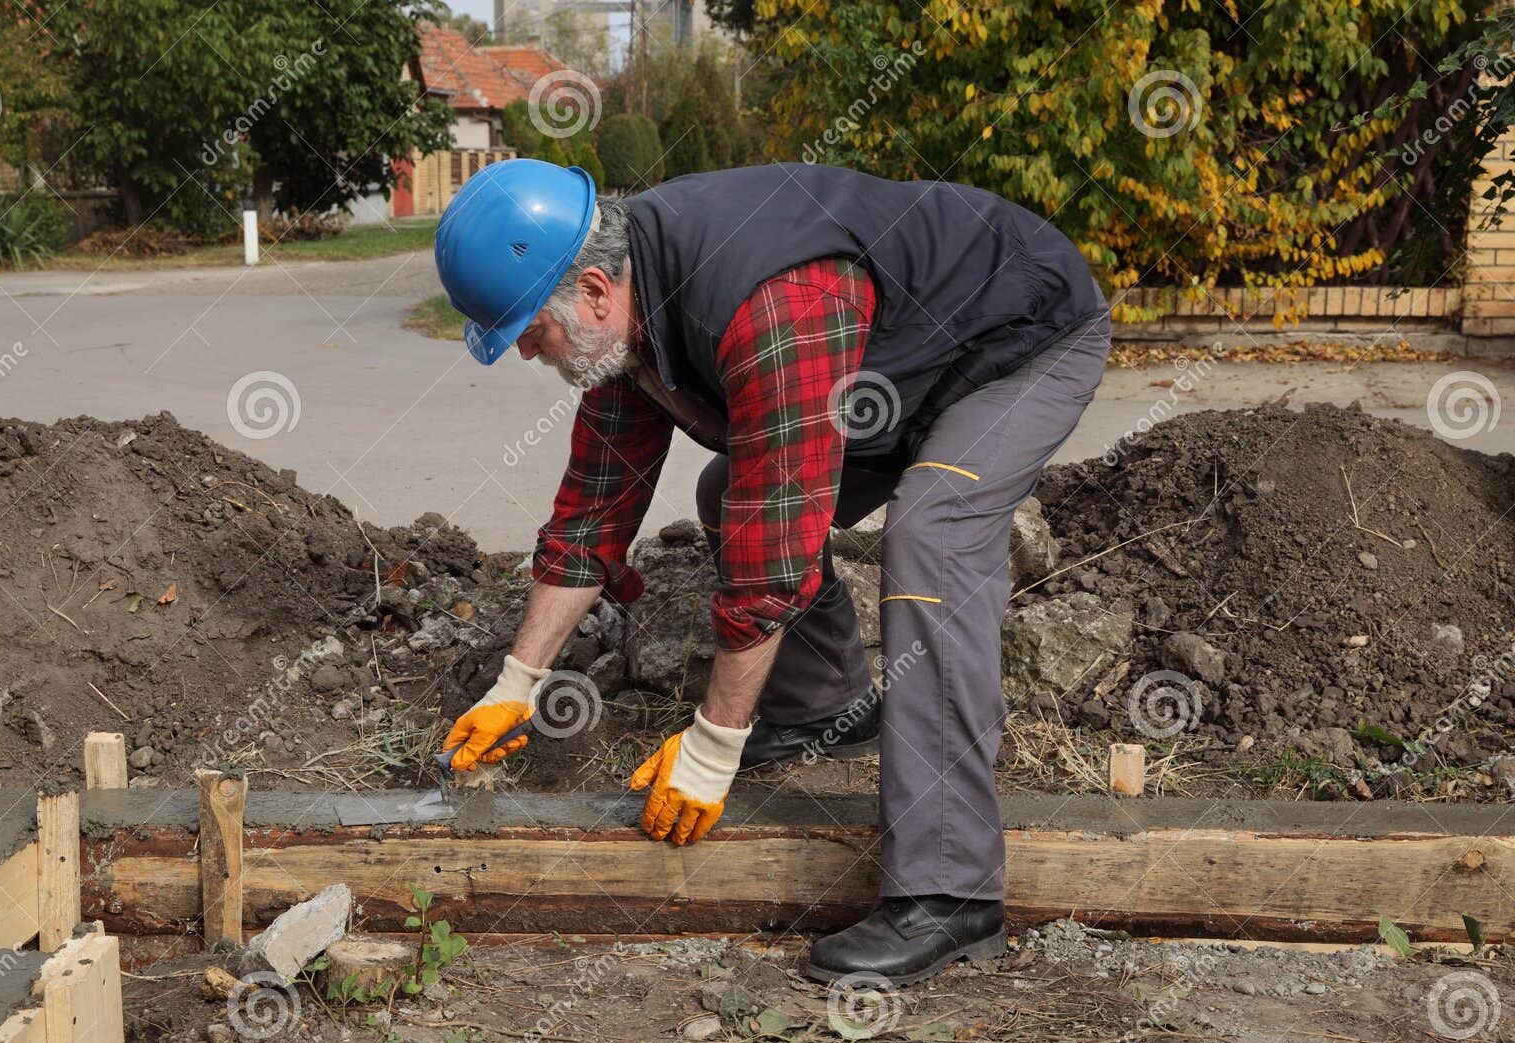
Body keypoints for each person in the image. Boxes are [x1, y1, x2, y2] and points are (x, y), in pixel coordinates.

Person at [433, 158, 1110, 984]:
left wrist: (713, 743)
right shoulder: (627, 312)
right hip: (905, 364)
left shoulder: (770, 300)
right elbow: (593, 510)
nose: (533, 356)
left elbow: (775, 549)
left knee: (931, 533)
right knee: (728, 489)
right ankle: (829, 703)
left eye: (531, 334)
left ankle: (951, 890)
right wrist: (518, 678)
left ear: (596, 293)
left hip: (1021, 336)